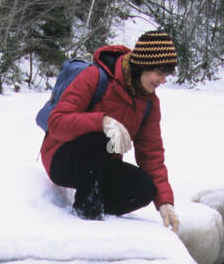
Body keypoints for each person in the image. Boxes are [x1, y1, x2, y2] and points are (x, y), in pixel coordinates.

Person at [39, 30, 180, 232]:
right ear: (143, 65)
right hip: (63, 158)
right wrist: (101, 121)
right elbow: (57, 123)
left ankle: (100, 213)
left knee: (145, 188)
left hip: (100, 167)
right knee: (100, 136)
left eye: (166, 75)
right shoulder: (95, 77)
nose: (162, 80)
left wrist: (165, 202)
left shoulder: (150, 103)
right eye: (159, 72)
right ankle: (84, 217)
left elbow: (152, 155)